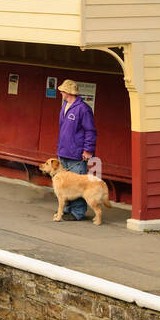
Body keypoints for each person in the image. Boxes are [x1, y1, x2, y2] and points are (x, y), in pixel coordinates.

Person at [55, 78, 97, 221]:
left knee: (78, 185)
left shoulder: (83, 109)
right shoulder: (65, 105)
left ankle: (77, 212)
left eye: (62, 91)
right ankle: (66, 209)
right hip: (64, 152)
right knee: (64, 184)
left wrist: (88, 150)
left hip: (77, 154)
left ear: (68, 92)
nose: (60, 92)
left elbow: (90, 131)